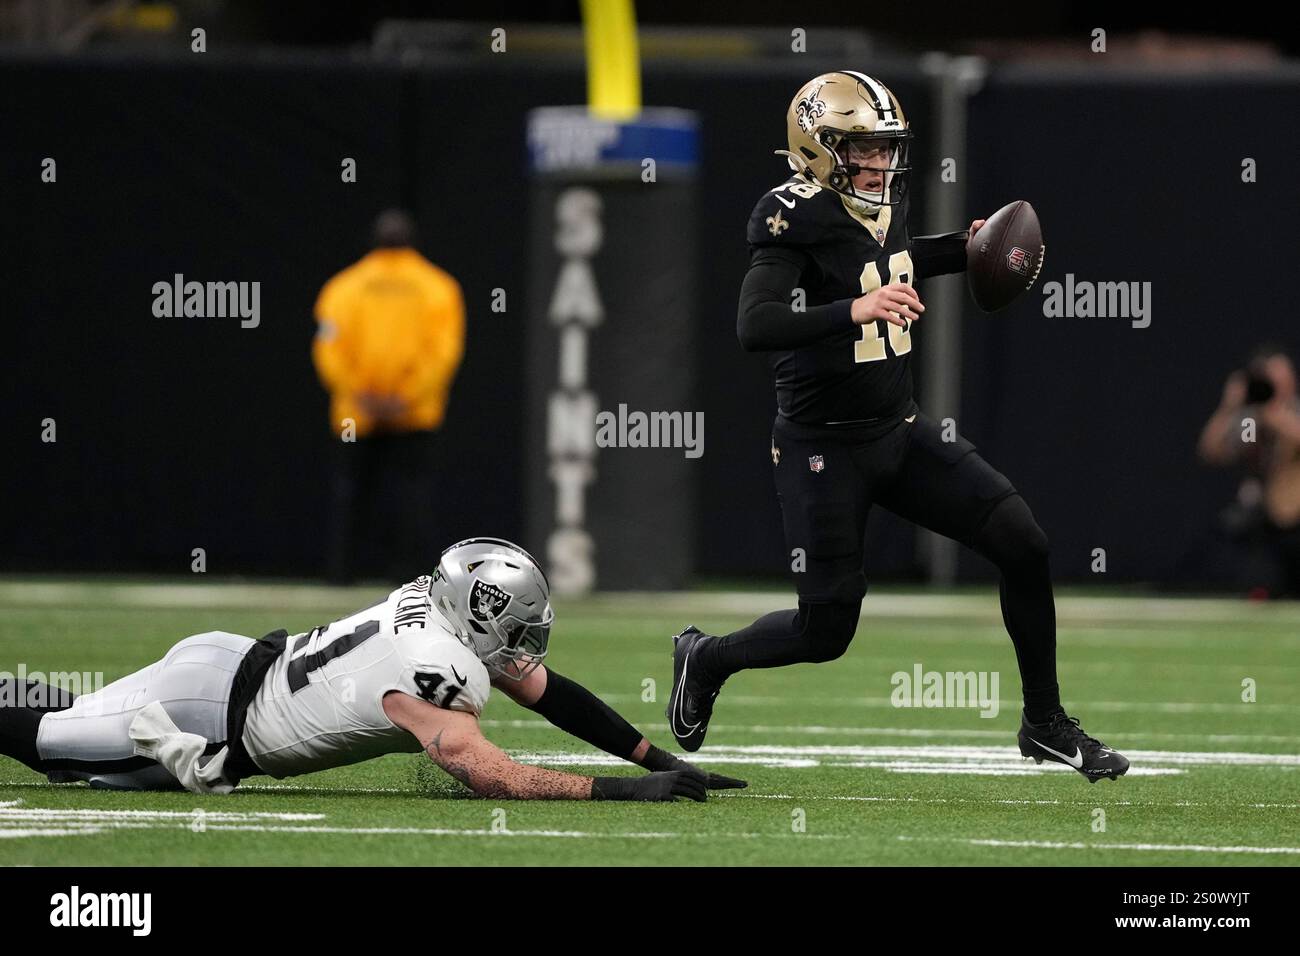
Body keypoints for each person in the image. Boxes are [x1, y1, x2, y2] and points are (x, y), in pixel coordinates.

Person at [666, 71, 1129, 782]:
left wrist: (963, 246)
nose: (880, 163)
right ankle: (707, 657)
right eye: (863, 148)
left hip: (899, 430)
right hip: (823, 447)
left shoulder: (880, 200)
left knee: (1022, 541)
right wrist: (855, 311)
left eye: (887, 147)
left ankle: (1044, 722)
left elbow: (893, 262)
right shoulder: (790, 214)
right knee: (826, 631)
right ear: (817, 148)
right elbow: (755, 325)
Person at [0, 539, 745, 802]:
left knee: (62, 726)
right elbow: (487, 772)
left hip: (224, 666)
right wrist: (624, 788)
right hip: (203, 719)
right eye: (514, 629)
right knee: (50, 749)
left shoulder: (434, 608)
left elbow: (558, 700)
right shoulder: (437, 669)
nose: (522, 648)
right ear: (479, 613)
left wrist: (658, 757)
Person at [313, 210, 465, 583]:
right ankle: (412, 579)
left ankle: (342, 575)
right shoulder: (438, 287)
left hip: (356, 413)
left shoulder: (343, 286)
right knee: (411, 499)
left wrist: (358, 393)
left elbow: (328, 346)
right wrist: (408, 396)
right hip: (413, 415)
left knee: (350, 495)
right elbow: (444, 352)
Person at [1197, 346, 1300, 595]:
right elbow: (1213, 451)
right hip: (1263, 521)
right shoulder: (1250, 420)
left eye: (1285, 378)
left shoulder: (1294, 411)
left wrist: (1275, 417)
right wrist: (1230, 407)